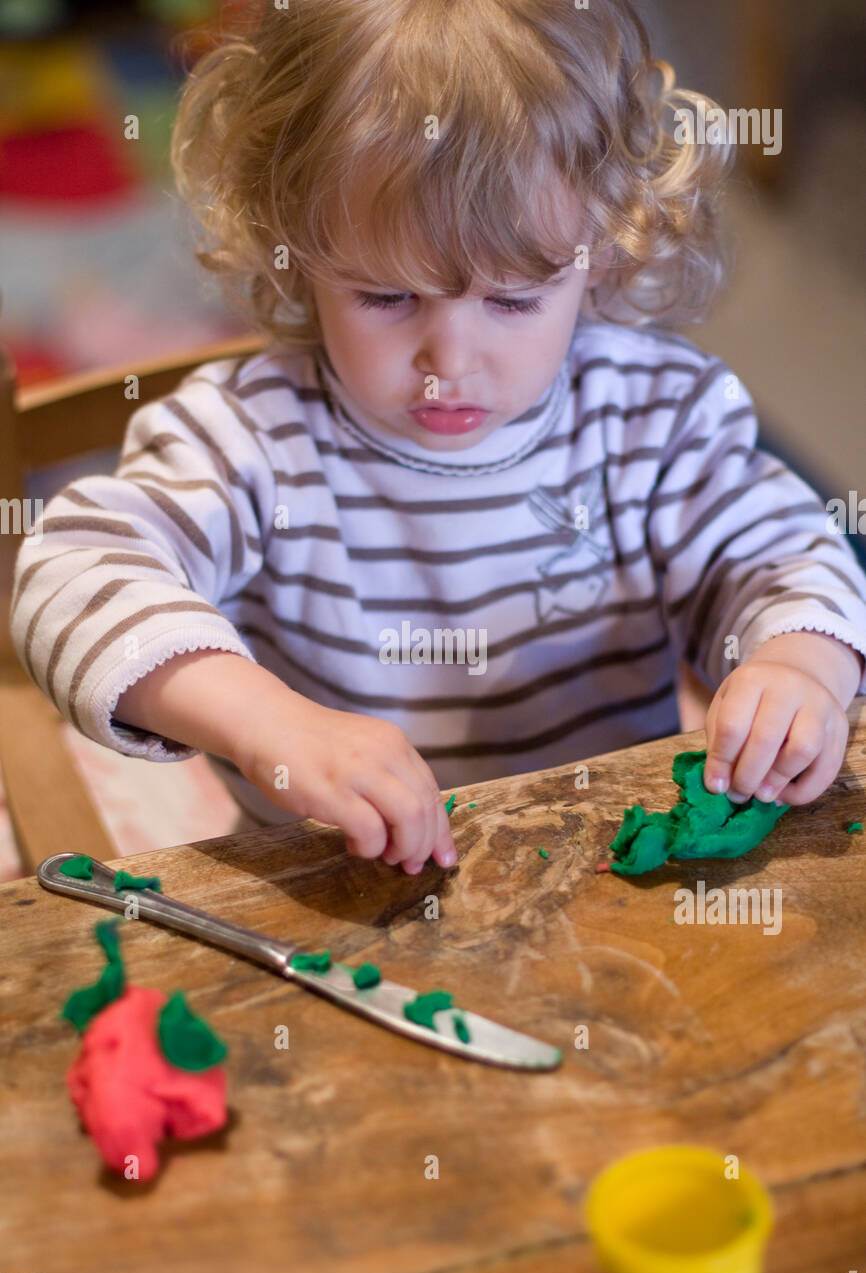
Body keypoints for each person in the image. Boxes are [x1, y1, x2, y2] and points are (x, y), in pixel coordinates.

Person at [11, 0, 866, 876]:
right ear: (292, 244)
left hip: (601, 878)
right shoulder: (250, 438)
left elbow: (786, 559)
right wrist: (267, 725)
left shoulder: (654, 416)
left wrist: (799, 668)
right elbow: (70, 576)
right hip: (332, 884)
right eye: (386, 296)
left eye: (513, 300)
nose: (448, 362)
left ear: (603, 250)